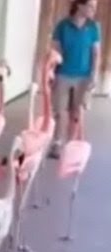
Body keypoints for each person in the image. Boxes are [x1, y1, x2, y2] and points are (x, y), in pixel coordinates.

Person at [49, 0, 101, 157]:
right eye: (91, 6)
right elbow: (55, 51)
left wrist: (94, 75)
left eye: (95, 7)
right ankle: (57, 143)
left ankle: (69, 145)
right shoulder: (62, 26)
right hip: (63, 74)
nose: (93, 10)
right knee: (59, 110)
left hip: (83, 77)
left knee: (76, 112)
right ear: (79, 5)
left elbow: (96, 54)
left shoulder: (93, 28)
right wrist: (50, 72)